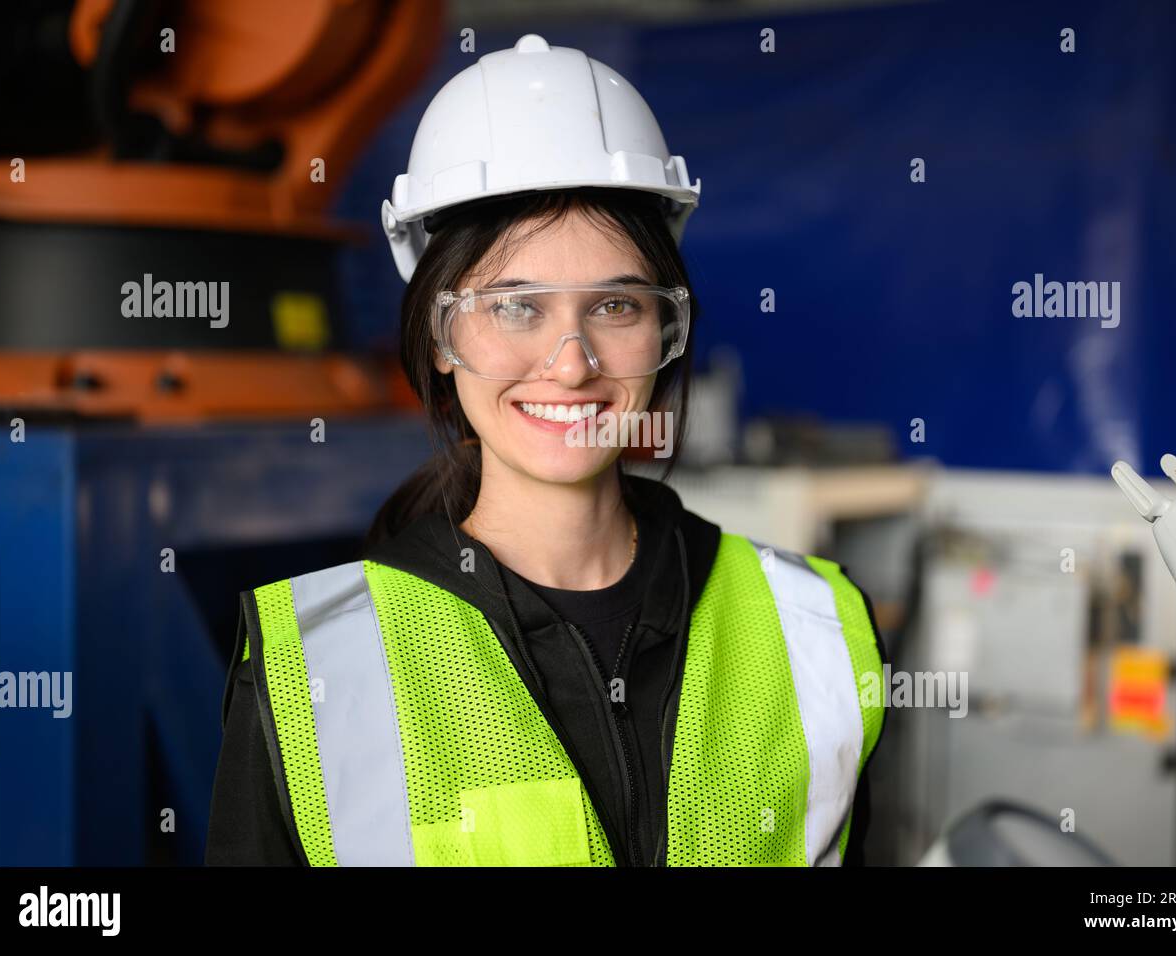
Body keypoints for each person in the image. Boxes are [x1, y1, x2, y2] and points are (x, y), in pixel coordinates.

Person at [205, 34, 886, 867]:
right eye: (516, 308)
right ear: (440, 336)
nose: (571, 365)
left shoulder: (812, 629)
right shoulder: (314, 670)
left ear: (665, 326)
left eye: (615, 306)